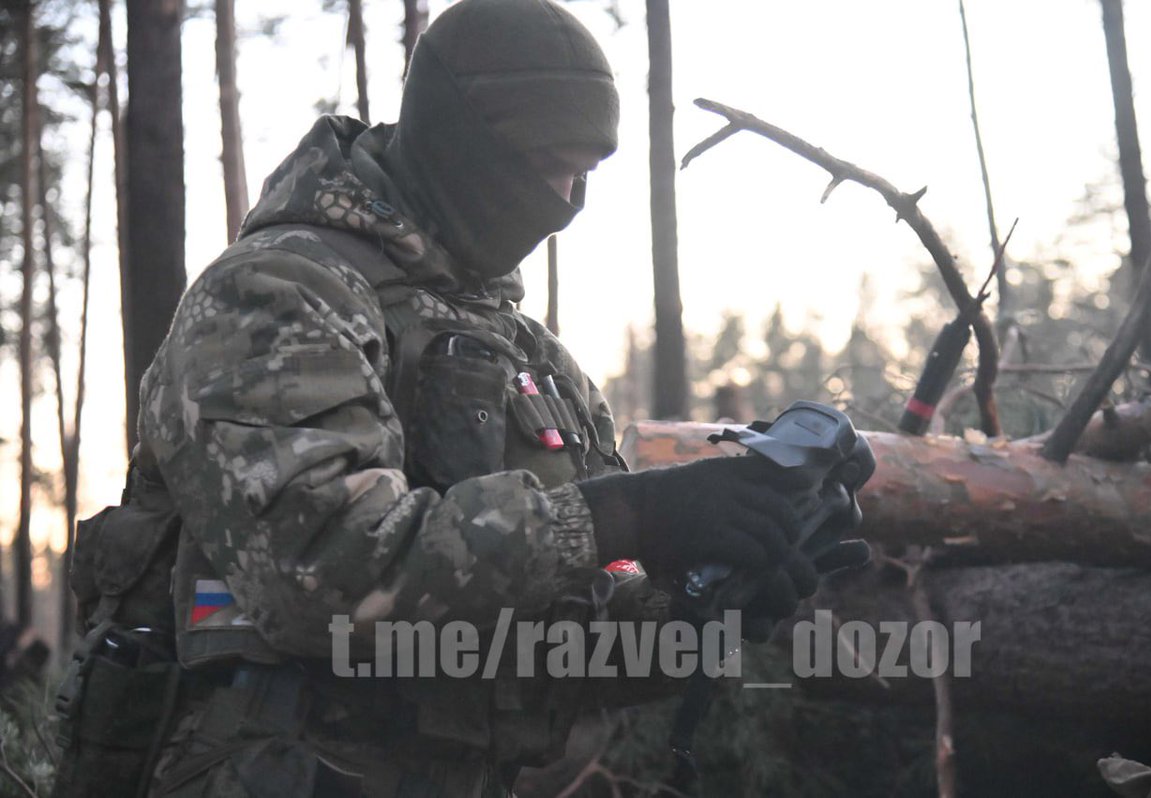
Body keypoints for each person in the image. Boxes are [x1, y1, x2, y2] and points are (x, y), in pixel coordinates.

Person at [51, 1, 869, 796]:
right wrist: (632, 514)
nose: (570, 199)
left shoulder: (534, 359)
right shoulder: (278, 293)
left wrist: (701, 607)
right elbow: (324, 578)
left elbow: (556, 636)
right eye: (551, 162)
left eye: (586, 170)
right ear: (465, 141)